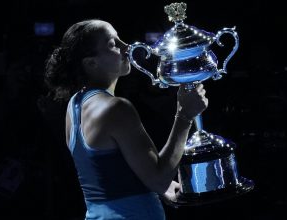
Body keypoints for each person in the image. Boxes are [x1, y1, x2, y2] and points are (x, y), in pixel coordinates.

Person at [44, 19, 208, 220]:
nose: (127, 47)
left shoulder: (75, 104)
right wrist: (184, 115)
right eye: (113, 45)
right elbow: (158, 179)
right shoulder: (116, 108)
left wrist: (157, 187)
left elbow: (109, 176)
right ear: (91, 63)